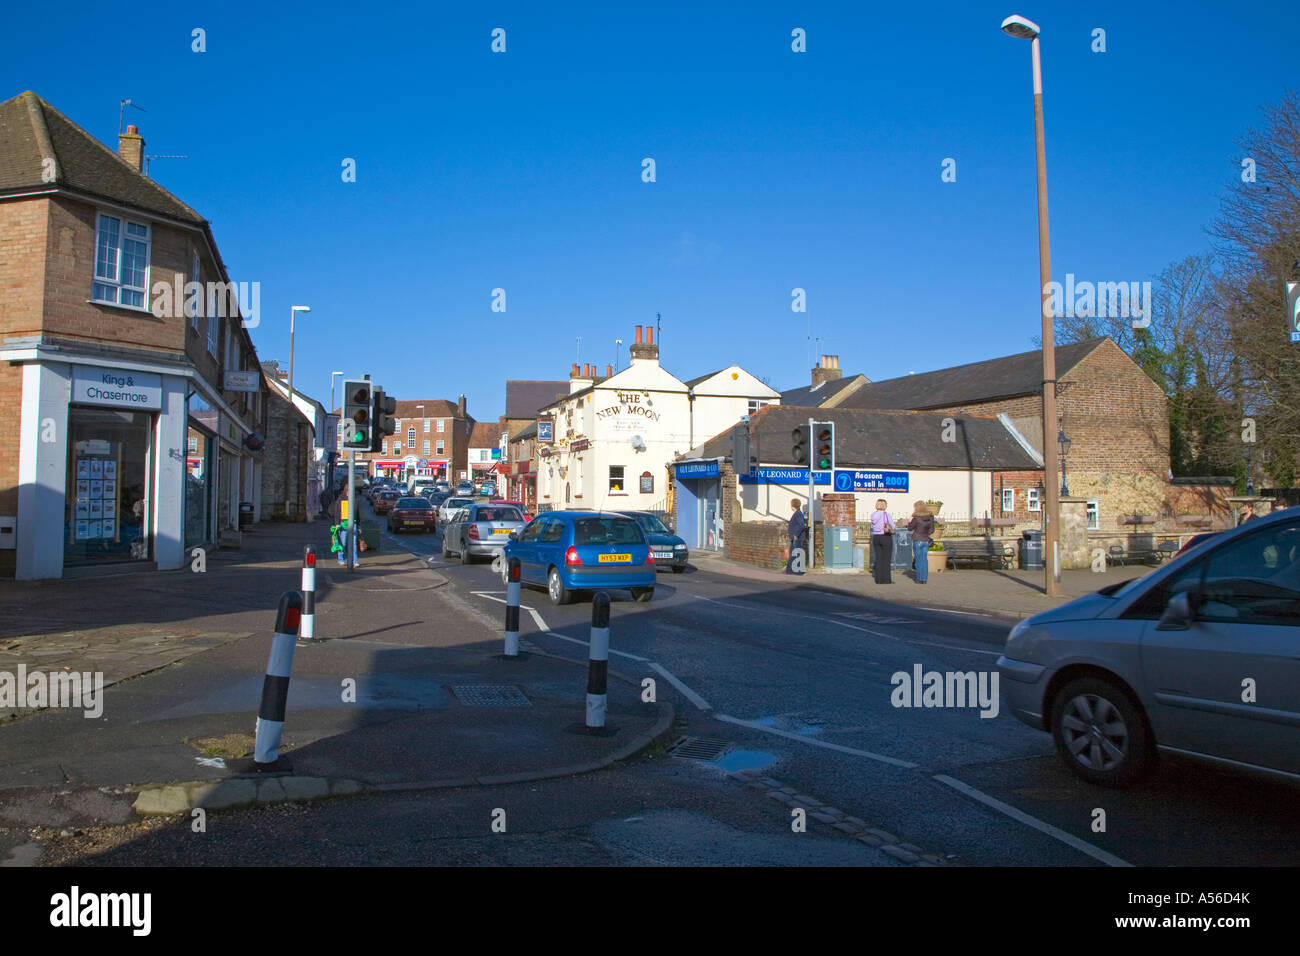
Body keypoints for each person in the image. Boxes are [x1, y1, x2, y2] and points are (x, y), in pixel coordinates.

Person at [907, 500, 935, 584]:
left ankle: (919, 579)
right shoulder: (930, 517)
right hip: (926, 540)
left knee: (918, 560)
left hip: (917, 539)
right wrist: (926, 533)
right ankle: (924, 578)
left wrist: (910, 521)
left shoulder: (916, 518)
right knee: (924, 560)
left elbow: (910, 528)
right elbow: (932, 530)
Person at [869, 498, 896, 584]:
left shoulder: (873, 515)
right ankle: (886, 579)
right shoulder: (886, 514)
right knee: (886, 558)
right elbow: (893, 526)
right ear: (884, 506)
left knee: (879, 558)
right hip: (885, 536)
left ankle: (878, 579)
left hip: (876, 537)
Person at [786, 498, 807, 574]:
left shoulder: (798, 514)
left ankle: (799, 571)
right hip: (794, 537)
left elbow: (801, 525)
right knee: (793, 553)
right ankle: (789, 570)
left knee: (797, 554)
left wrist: (796, 534)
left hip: (797, 537)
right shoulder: (797, 513)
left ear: (792, 506)